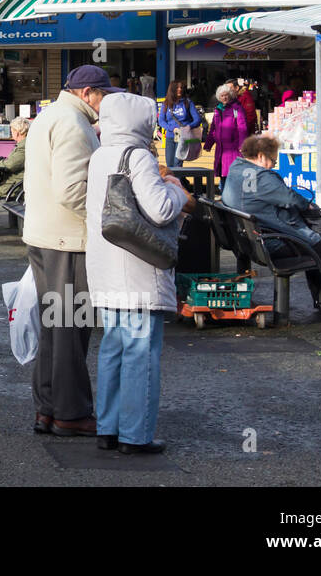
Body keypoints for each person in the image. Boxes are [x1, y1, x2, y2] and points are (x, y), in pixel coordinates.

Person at [86, 92, 194, 455]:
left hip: (106, 266)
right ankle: (135, 435)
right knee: (141, 354)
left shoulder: (100, 156)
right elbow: (161, 210)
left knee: (113, 348)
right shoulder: (139, 157)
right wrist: (177, 190)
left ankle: (108, 427)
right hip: (137, 269)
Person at [22, 64, 122, 437]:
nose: (104, 102)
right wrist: (103, 215)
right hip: (68, 240)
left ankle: (48, 409)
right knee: (71, 326)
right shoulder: (73, 124)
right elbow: (71, 190)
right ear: (87, 93)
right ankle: (71, 412)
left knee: (56, 327)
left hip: (45, 236)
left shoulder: (51, 116)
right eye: (103, 94)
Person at [223, 134, 321, 319]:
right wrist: (308, 205)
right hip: (270, 243)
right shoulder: (261, 177)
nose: (273, 165)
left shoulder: (236, 168)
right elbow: (290, 198)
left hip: (246, 240)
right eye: (273, 161)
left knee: (319, 246)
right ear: (261, 156)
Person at [204, 82, 249, 182]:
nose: (224, 97)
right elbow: (213, 129)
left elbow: (242, 128)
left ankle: (228, 196)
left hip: (233, 148)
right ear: (219, 97)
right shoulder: (217, 110)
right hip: (220, 149)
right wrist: (208, 144)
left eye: (226, 95)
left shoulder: (236, 108)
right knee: (222, 174)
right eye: (222, 96)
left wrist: (242, 145)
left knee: (231, 175)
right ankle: (224, 195)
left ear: (230, 96)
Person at [158, 81, 202, 169]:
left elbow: (197, 119)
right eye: (177, 87)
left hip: (183, 136)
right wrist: (171, 128)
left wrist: (188, 126)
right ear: (172, 89)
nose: (180, 89)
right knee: (169, 163)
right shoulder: (166, 103)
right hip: (170, 136)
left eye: (181, 87)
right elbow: (161, 121)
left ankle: (178, 181)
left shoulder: (187, 102)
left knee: (177, 163)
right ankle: (178, 181)